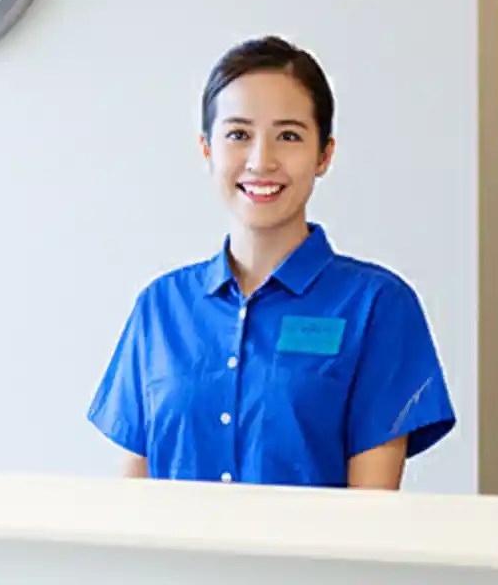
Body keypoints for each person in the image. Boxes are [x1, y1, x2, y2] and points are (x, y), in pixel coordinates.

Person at [87, 35, 456, 489]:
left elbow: (370, 520)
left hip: (313, 563)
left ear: (324, 155)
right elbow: (129, 509)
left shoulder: (376, 307)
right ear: (207, 149)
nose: (262, 161)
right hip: (176, 564)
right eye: (238, 135)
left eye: (289, 136)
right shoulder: (160, 308)